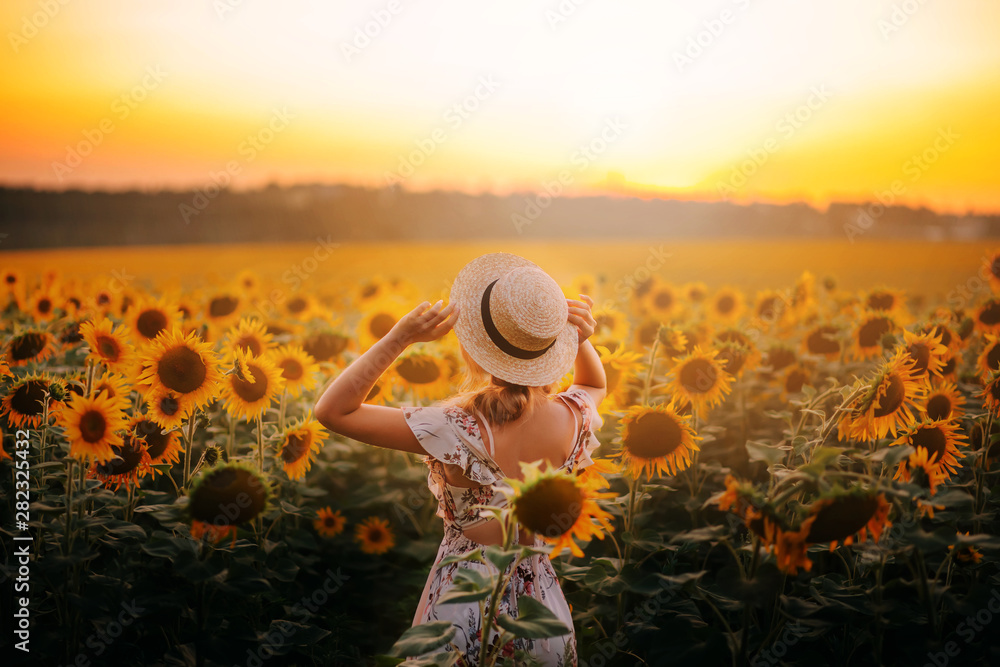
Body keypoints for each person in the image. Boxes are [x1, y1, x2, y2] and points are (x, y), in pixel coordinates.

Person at [315, 252, 607, 665]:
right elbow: (594, 381)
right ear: (551, 348)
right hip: (541, 613)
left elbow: (334, 411)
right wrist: (581, 336)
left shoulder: (456, 426)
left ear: (476, 348)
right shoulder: (573, 417)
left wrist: (398, 338)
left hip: (462, 605)